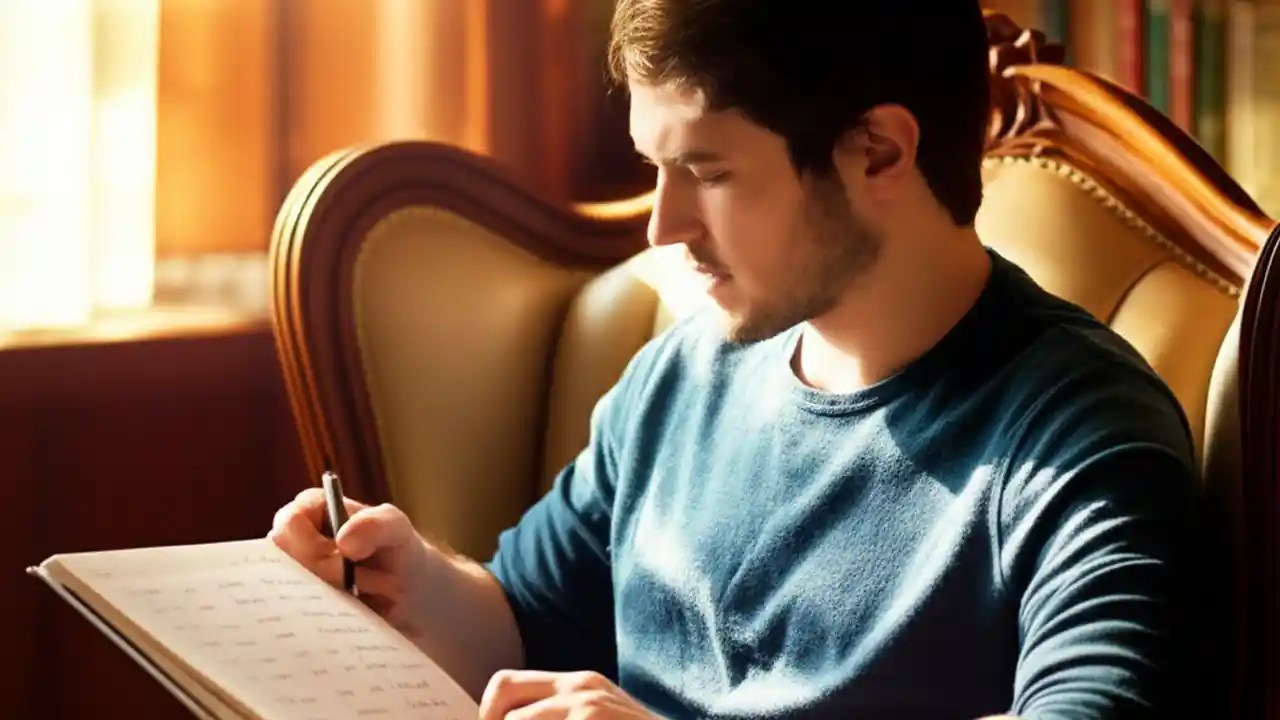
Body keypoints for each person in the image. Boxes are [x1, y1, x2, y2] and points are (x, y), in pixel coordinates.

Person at [269, 2, 1210, 717]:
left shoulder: (1082, 436)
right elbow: (523, 621)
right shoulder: (681, 376)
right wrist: (409, 584)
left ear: (879, 153)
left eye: (709, 174)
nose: (662, 227)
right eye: (654, 167)